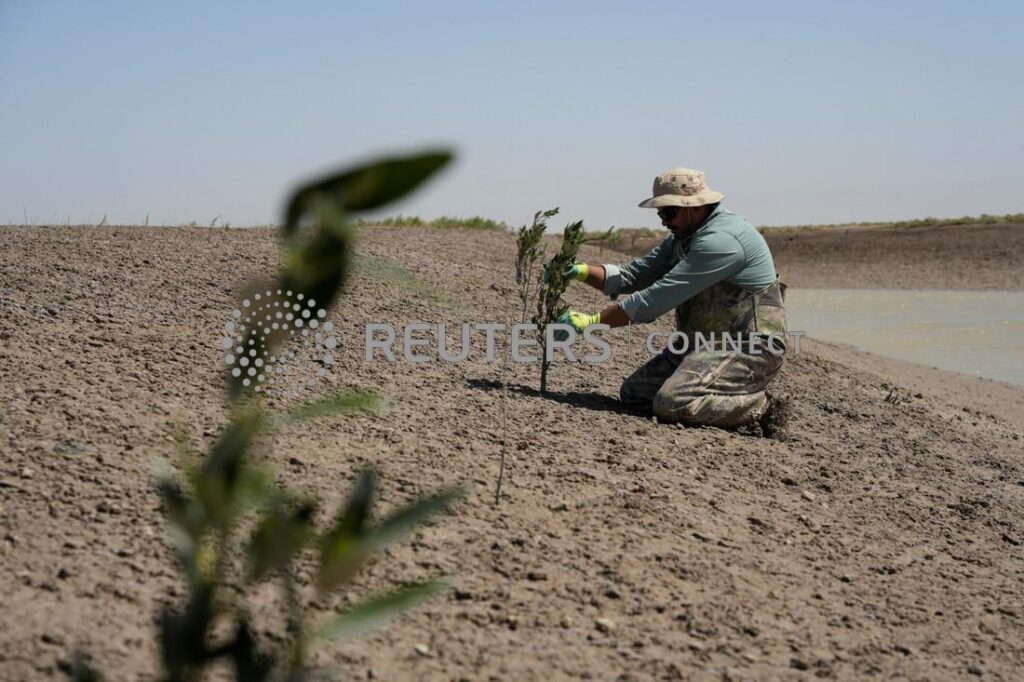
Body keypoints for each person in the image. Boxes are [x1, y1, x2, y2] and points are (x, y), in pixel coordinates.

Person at [556, 167, 788, 432]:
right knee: (636, 395)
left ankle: (760, 407)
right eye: (660, 213)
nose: (663, 221)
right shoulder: (682, 237)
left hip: (749, 347)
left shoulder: (722, 242)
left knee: (672, 402)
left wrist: (592, 322)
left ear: (696, 207)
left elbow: (656, 298)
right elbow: (634, 275)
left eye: (669, 212)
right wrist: (580, 271)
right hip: (702, 343)